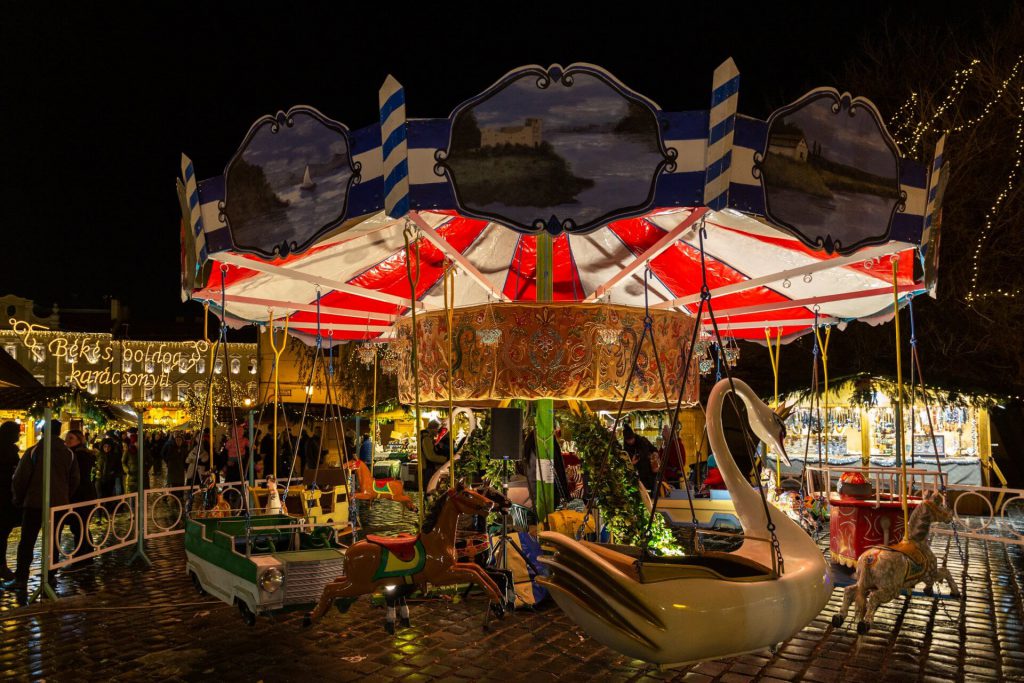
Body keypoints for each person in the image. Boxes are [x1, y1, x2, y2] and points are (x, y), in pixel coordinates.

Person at [5, 419, 79, 604]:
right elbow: (74, 479)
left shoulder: (34, 451)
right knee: (54, 541)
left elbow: (20, 479)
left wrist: (19, 498)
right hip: (58, 506)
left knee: (27, 542)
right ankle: (50, 575)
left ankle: (21, 578)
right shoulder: (68, 453)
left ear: (44, 432)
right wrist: (63, 495)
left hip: (34, 504)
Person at [63, 429, 97, 559]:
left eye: (71, 438)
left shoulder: (78, 455)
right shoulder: (76, 453)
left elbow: (77, 477)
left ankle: (82, 556)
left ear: (79, 440)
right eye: (67, 437)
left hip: (81, 494)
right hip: (85, 493)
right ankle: (87, 554)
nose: (67, 440)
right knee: (80, 525)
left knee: (79, 526)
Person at [0, 422, 22, 581]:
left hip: (6, 497)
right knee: (2, 533)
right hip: (4, 498)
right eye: (17, 432)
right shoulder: (8, 452)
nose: (19, 435)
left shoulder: (10, 450)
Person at [622, 423, 657, 491]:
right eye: (628, 440)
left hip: (648, 472)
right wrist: (632, 463)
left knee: (649, 490)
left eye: (631, 439)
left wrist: (653, 456)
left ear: (634, 436)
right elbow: (627, 462)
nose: (630, 442)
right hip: (637, 474)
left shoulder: (643, 441)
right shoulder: (626, 447)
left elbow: (653, 449)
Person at [419, 421, 446, 487]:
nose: (438, 432)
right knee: (429, 487)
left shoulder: (428, 437)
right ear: (433, 429)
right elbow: (431, 456)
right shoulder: (426, 438)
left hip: (427, 467)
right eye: (438, 429)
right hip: (428, 467)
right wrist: (445, 459)